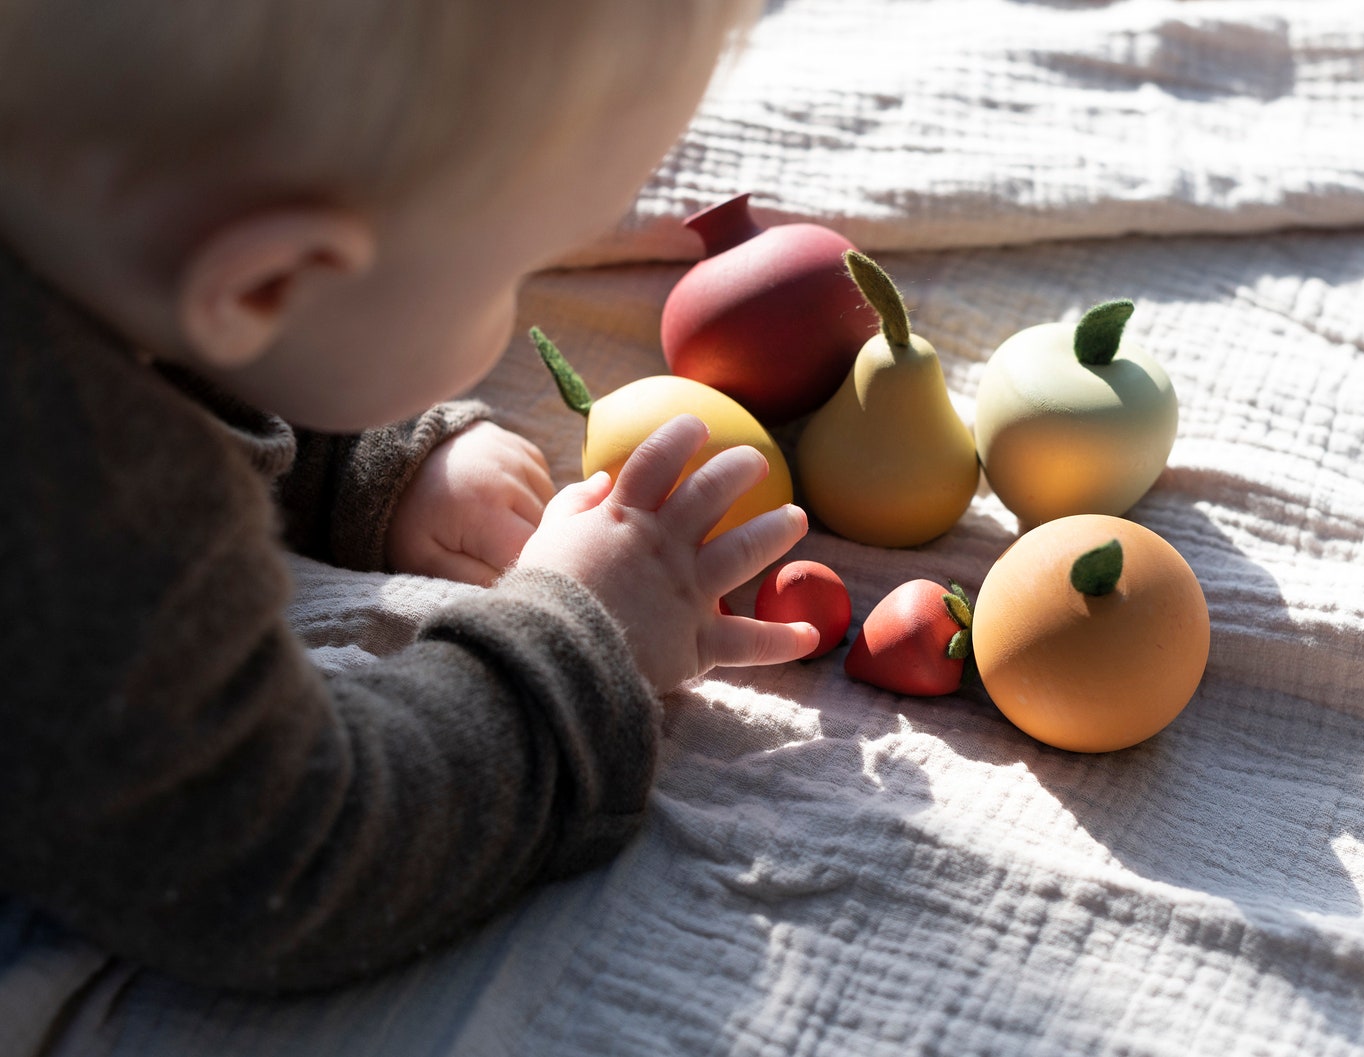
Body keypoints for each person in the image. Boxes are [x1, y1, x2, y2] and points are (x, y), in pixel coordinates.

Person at [0, 0, 818, 993]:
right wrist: (579, 634)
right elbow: (286, 850)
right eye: (511, 273)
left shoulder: (75, 236)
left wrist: (374, 465)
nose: (516, 310)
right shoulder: (72, 507)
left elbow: (191, 349)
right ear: (267, 284)